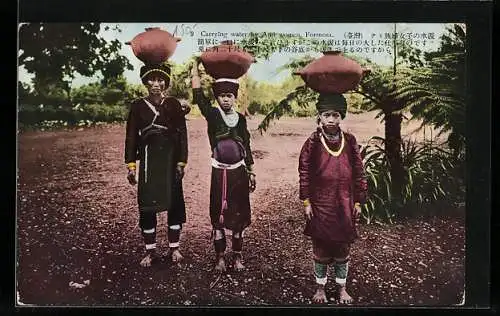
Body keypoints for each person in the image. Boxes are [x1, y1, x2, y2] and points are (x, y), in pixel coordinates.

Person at [298, 93, 368, 304]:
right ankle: (320, 288)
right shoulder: (312, 142)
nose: (331, 119)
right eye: (327, 114)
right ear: (319, 116)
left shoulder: (350, 140)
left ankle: (341, 288)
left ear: (341, 116)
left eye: (336, 115)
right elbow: (304, 172)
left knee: (342, 248)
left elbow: (359, 170)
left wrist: (358, 201)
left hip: (344, 203)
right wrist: (306, 202)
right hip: (321, 204)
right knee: (320, 247)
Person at [190, 61, 256, 272]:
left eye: (229, 96)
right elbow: (199, 97)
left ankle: (237, 257)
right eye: (222, 96)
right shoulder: (213, 115)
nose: (226, 99)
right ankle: (219, 257)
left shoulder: (241, 120)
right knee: (218, 214)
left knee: (238, 215)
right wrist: (195, 71)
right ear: (217, 98)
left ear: (235, 98)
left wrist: (251, 169)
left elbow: (246, 143)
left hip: (239, 173)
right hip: (220, 172)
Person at [124, 62, 190, 267]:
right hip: (148, 161)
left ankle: (174, 248)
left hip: (170, 161)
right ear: (145, 82)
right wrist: (131, 165)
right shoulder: (137, 106)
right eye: (151, 79)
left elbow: (182, 135)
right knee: (147, 206)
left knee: (174, 203)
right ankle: (150, 251)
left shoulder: (173, 105)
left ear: (166, 83)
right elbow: (131, 137)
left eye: (160, 79)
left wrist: (181, 161)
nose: (156, 84)